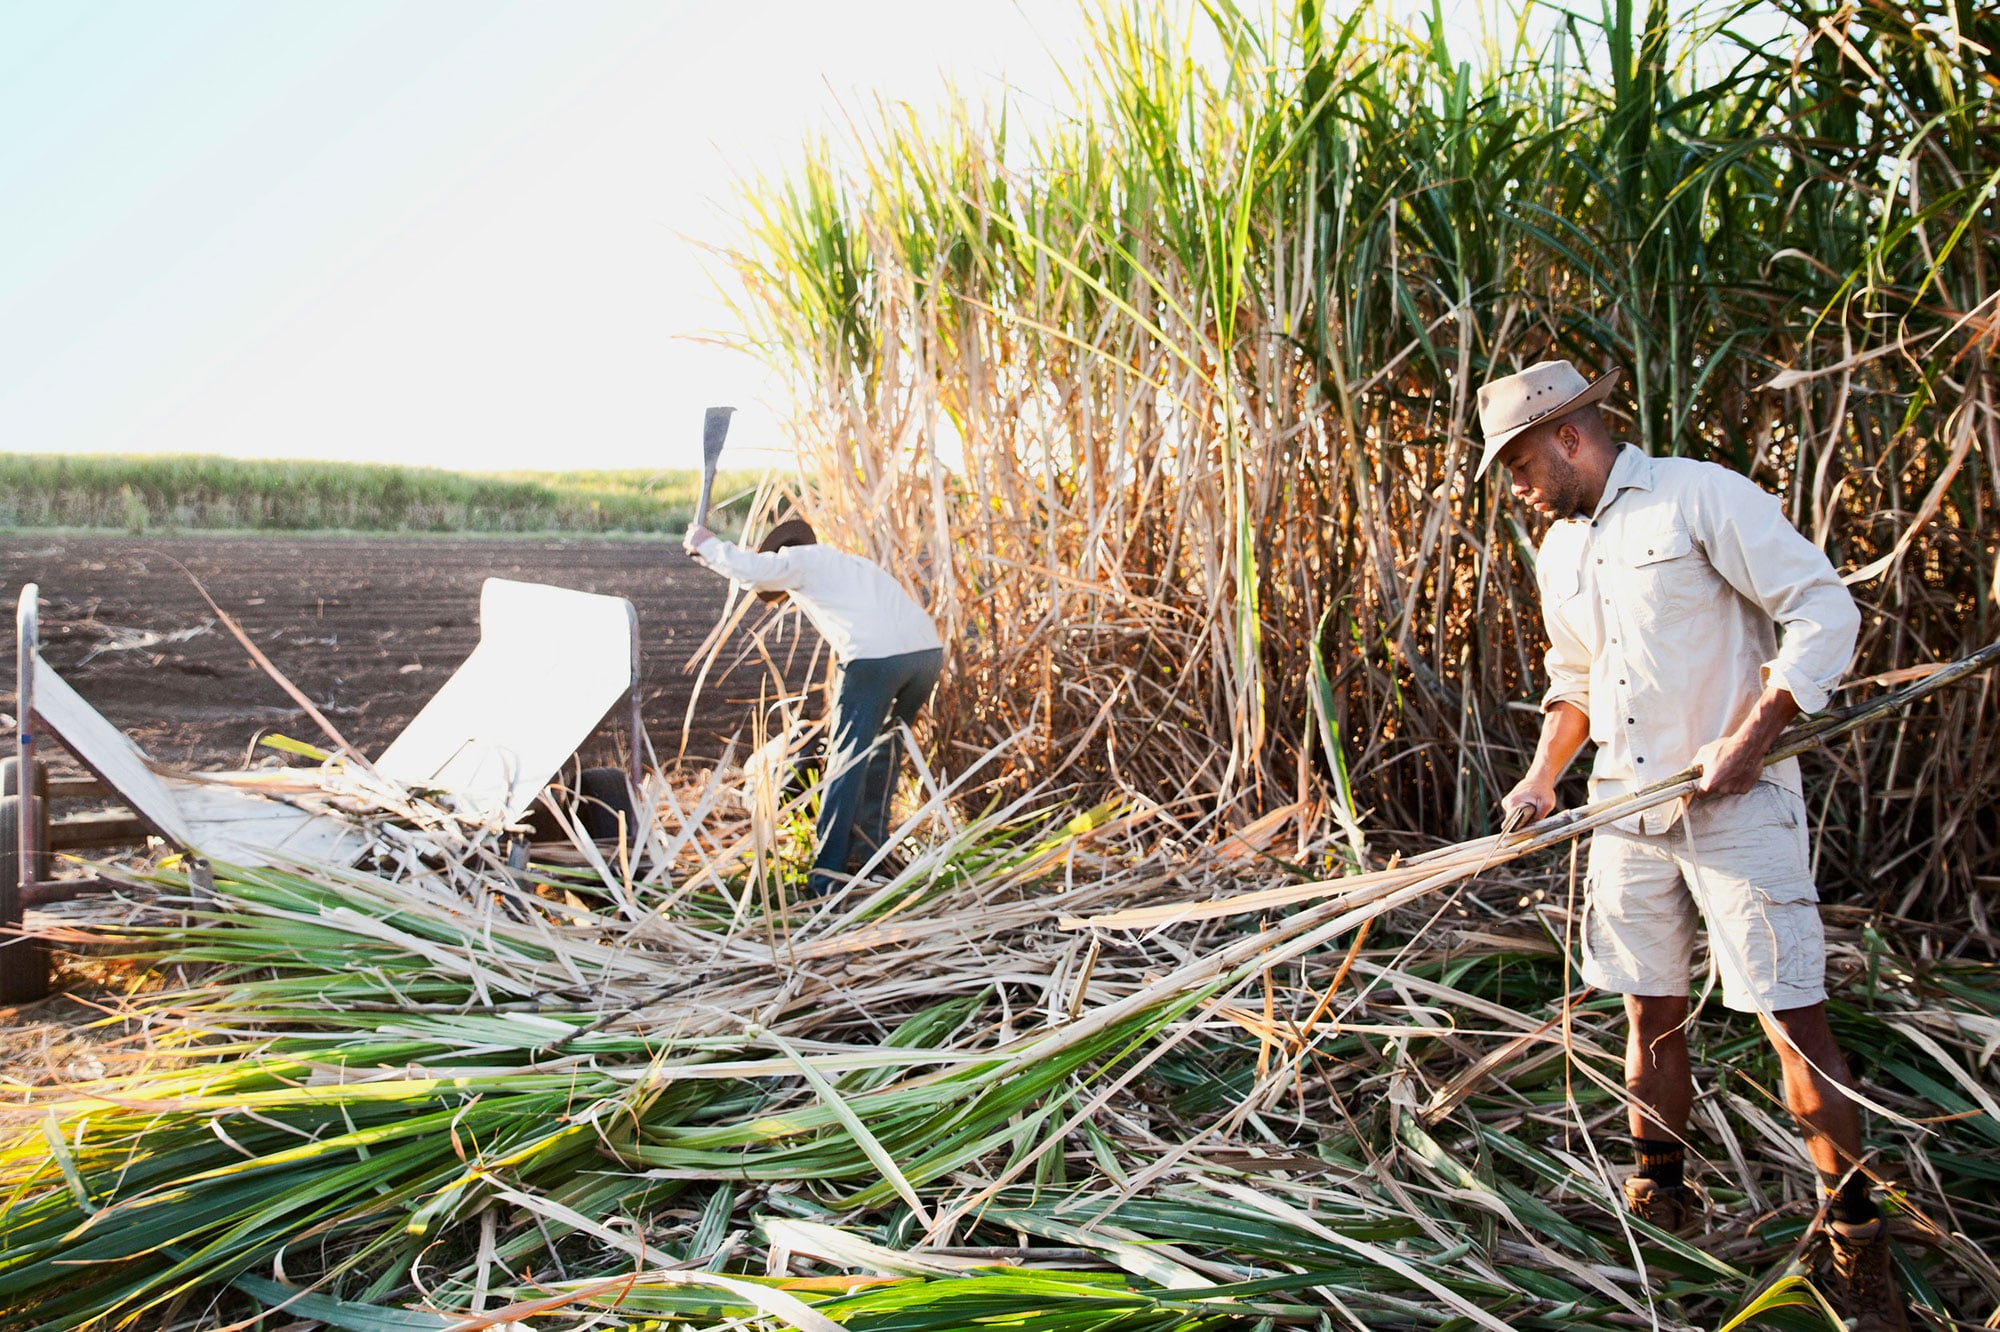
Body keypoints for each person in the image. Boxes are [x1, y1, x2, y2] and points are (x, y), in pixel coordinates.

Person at [1480, 360, 1906, 1330]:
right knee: (1646, 1016)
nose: (1516, 487)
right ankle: (1660, 1202)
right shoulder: (1558, 551)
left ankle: (1855, 1248)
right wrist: (1542, 777)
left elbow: (1822, 611)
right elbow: (1575, 679)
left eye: (1516, 464)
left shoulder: (1696, 499)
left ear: (1568, 438)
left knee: (1789, 1018)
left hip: (1735, 808)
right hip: (1626, 809)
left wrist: (1747, 738)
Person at [684, 517, 944, 896]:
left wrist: (705, 545)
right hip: (925, 655)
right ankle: (871, 860)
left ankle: (827, 875)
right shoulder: (850, 564)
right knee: (884, 756)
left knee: (846, 762)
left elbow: (750, 571)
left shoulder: (798, 558)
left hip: (875, 659)